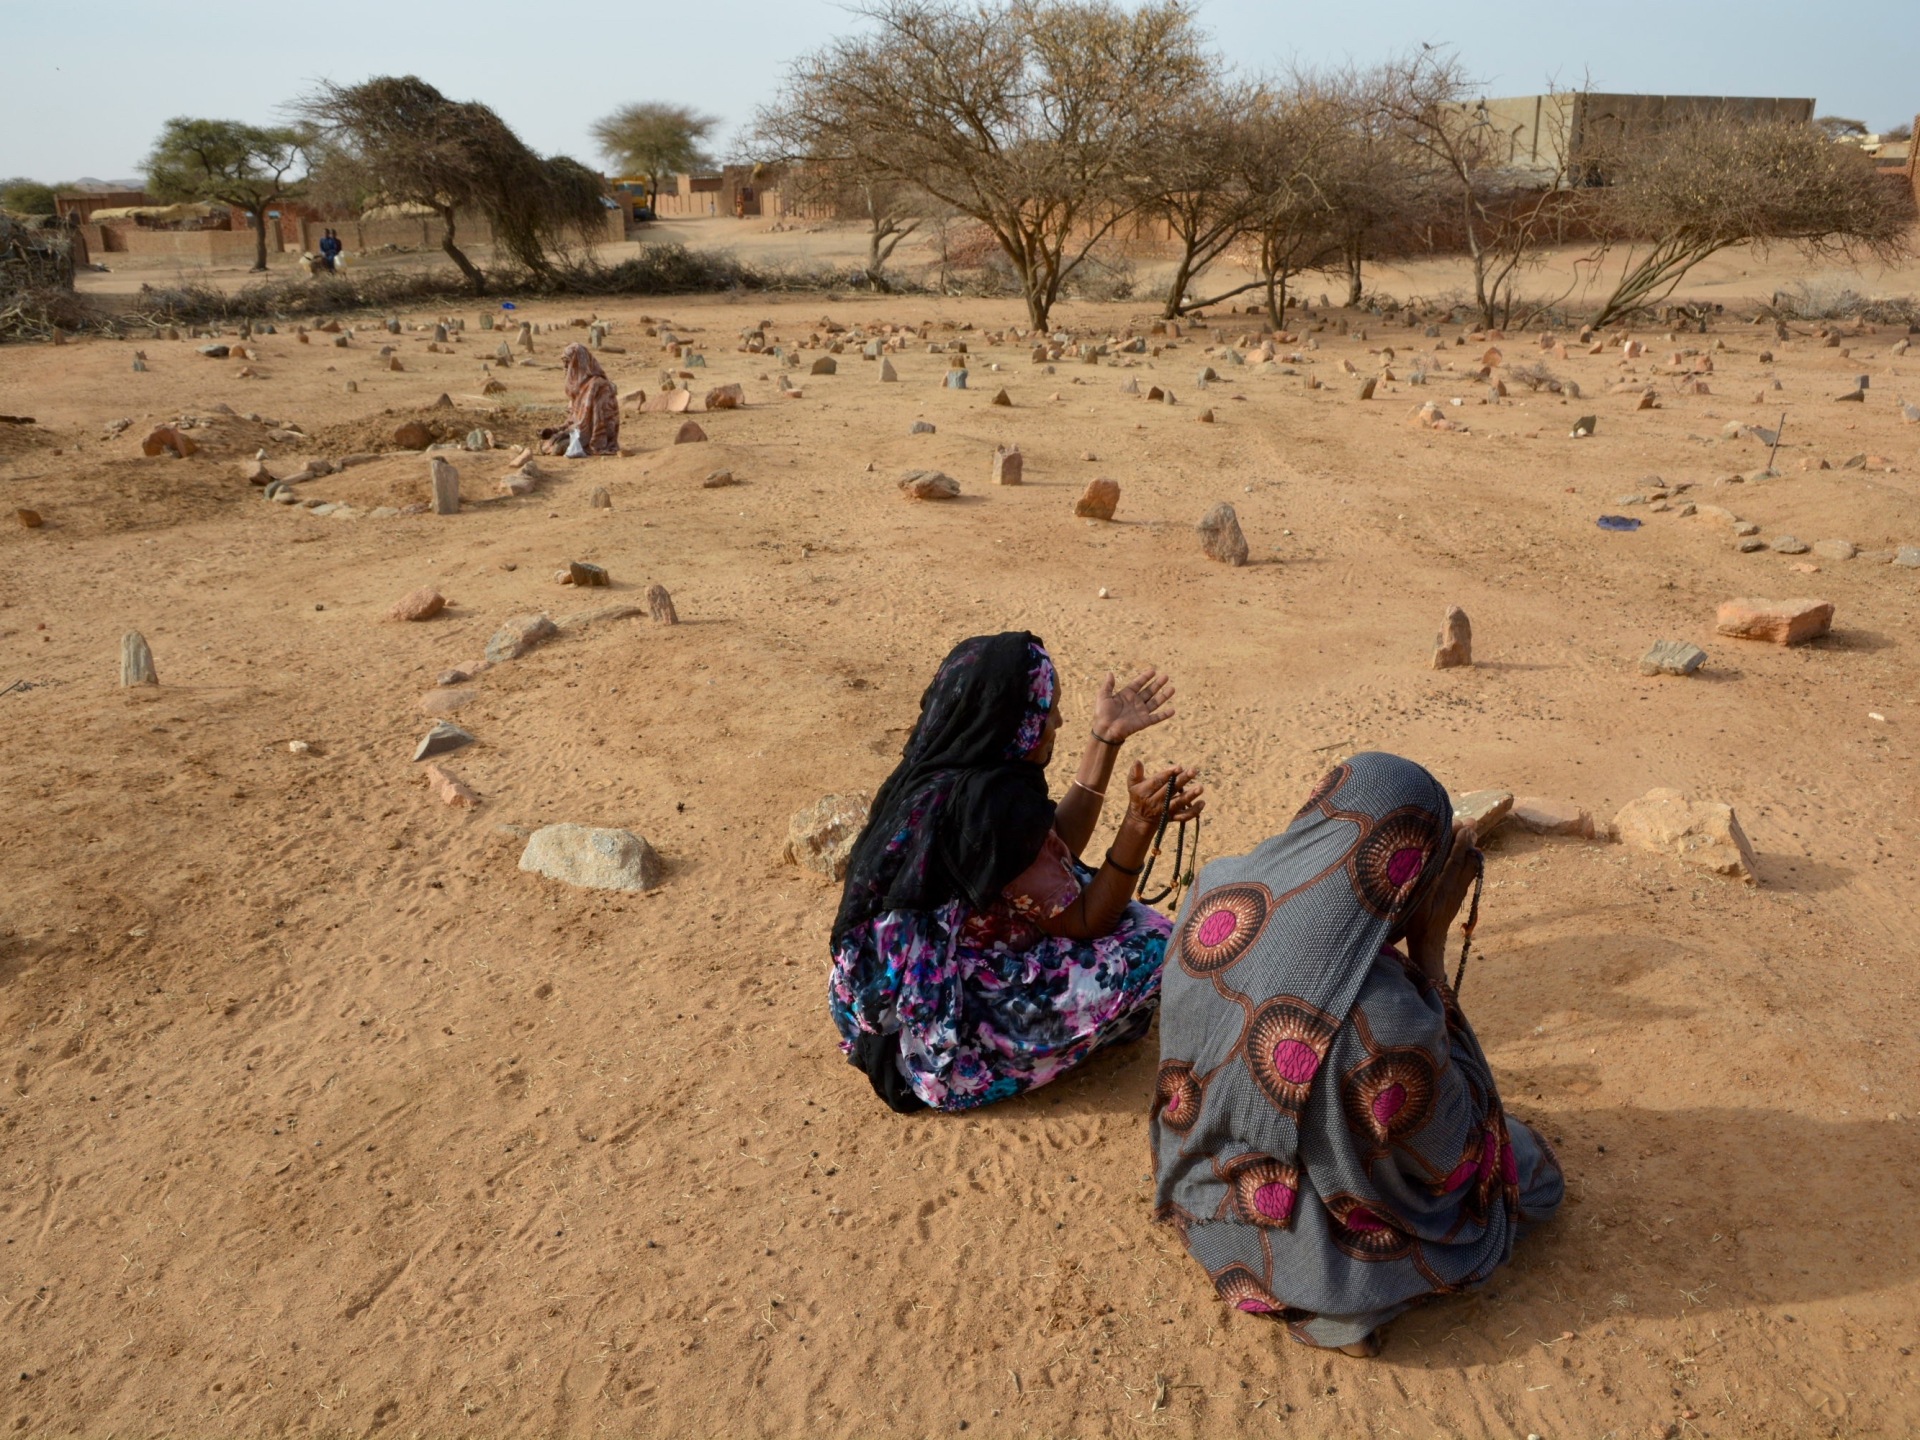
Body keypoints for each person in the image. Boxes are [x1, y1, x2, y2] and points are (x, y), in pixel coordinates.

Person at [1151, 752, 1562, 1356]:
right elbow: (1445, 1156)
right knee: (1530, 1174)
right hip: (1312, 1224)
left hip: (1200, 1166)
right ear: (1408, 875)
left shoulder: (1217, 886)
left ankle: (1263, 1252)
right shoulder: (1387, 1018)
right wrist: (1427, 946)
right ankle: (1339, 1295)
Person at [830, 631, 1205, 1113]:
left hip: (890, 1002)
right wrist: (1138, 824)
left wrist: (1105, 739)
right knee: (1156, 945)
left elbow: (1052, 848)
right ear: (1020, 721)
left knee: (1099, 890)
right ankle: (1018, 1054)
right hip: (946, 1033)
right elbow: (1086, 922)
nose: (1058, 721)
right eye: (1049, 710)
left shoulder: (940, 773)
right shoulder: (988, 810)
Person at [541, 343, 620, 456]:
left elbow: (594, 425)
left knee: (558, 447)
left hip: (597, 438)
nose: (565, 367)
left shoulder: (598, 385)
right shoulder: (579, 388)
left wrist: (567, 433)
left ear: (579, 362)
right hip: (580, 431)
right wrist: (554, 430)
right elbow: (574, 419)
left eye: (568, 363)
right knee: (549, 443)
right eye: (564, 363)